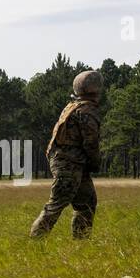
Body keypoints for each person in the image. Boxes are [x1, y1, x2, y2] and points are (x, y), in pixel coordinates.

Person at [29, 70, 103, 239]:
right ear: (96, 89)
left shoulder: (71, 107)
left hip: (72, 163)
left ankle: (81, 242)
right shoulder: (87, 111)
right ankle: (35, 242)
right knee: (56, 205)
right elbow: (91, 143)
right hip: (70, 164)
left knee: (86, 204)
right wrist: (95, 163)